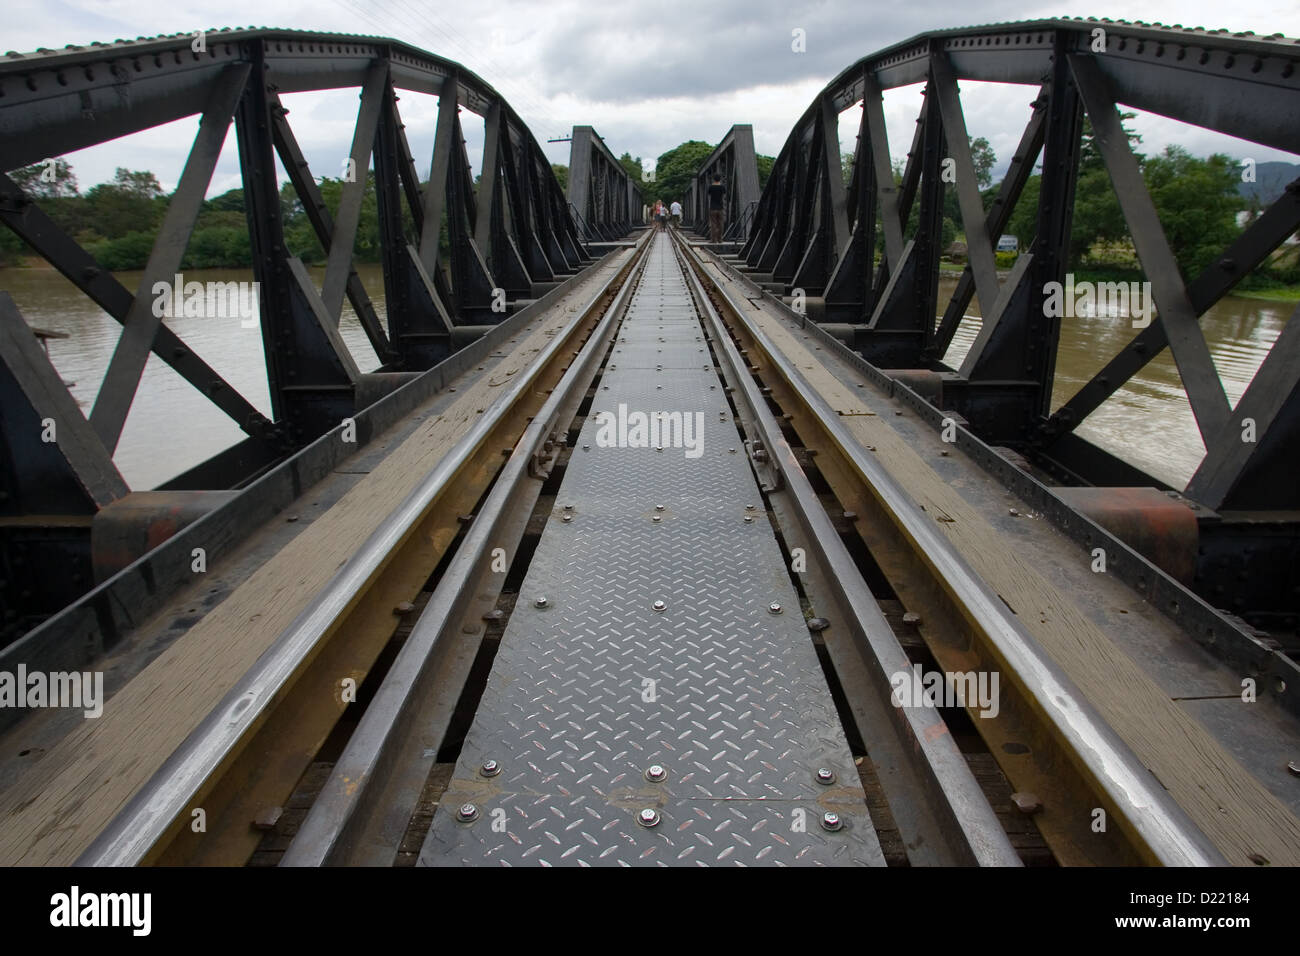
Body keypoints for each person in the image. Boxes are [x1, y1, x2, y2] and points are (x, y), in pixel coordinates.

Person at [707, 174, 726, 243]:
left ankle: (713, 239)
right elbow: (724, 194)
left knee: (713, 224)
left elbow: (709, 193)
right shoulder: (722, 187)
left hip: (713, 207)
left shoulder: (711, 187)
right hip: (720, 207)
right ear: (720, 179)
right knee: (721, 223)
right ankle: (720, 239)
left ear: (713, 179)